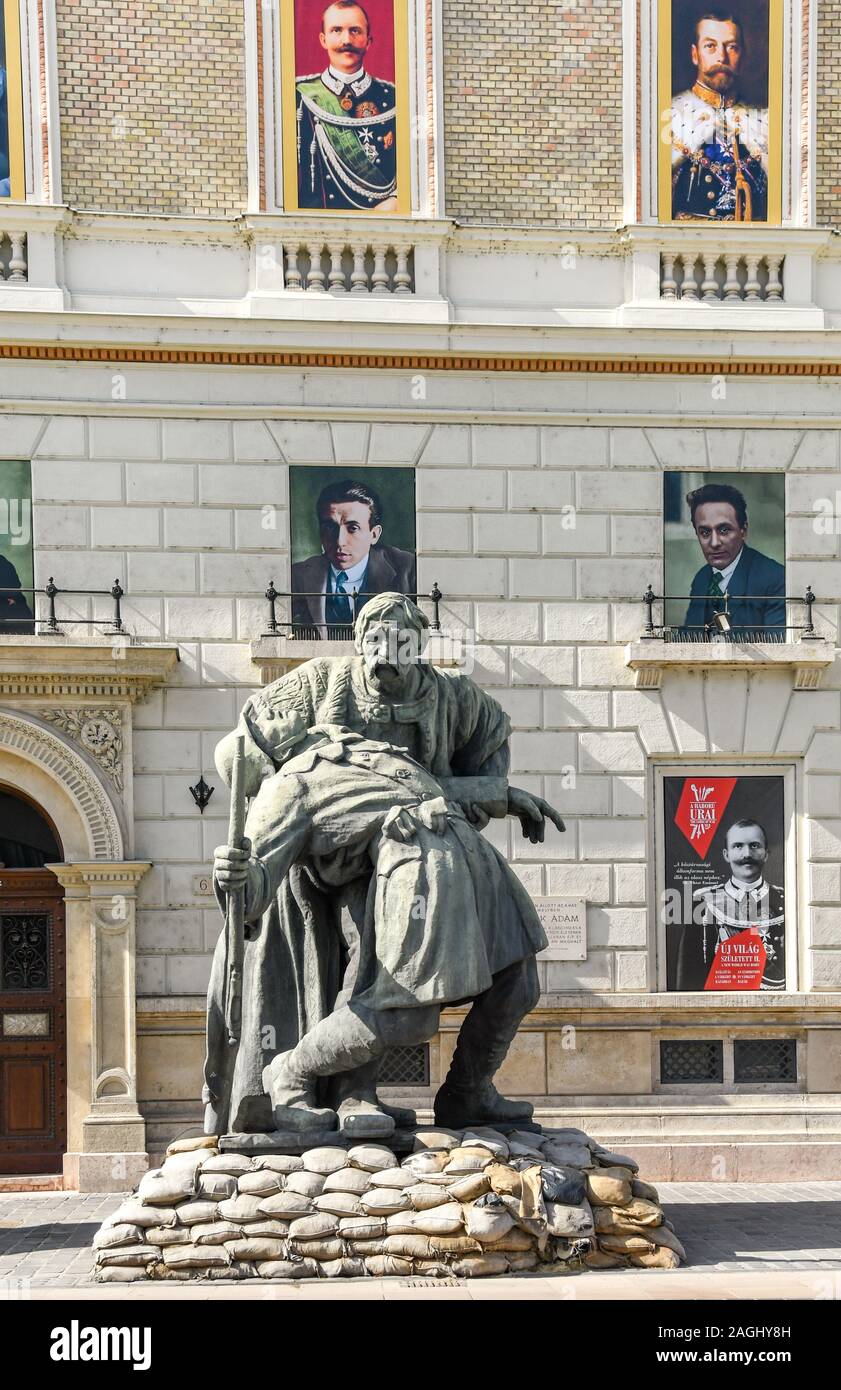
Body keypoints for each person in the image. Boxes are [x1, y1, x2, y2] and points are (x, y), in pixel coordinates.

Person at [203, 591, 564, 1137]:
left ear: (419, 647)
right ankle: (334, 1087)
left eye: (396, 641)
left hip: (454, 855)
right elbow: (256, 871)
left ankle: (469, 1091)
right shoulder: (293, 779)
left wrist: (499, 793)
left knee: (518, 978)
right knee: (386, 983)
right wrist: (237, 876)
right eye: (372, 639)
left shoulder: (431, 712)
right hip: (366, 872)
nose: (382, 653)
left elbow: (476, 750)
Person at [295, 1, 398, 211]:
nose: (346, 40)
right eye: (336, 30)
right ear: (323, 39)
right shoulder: (298, 95)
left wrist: (397, 199)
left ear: (368, 41)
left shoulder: (393, 97)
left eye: (355, 31)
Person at [670, 12, 768, 221]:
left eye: (732, 47)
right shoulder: (672, 114)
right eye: (710, 46)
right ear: (695, 54)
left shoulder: (763, 118)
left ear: (742, 56)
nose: (722, 57)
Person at [291, 477, 416, 638]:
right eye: (330, 527)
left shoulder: (408, 570)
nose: (340, 541)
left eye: (353, 528)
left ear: (374, 534)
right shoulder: (298, 576)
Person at [677, 818, 785, 990]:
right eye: (738, 846)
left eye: (755, 845)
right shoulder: (704, 902)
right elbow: (690, 976)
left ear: (766, 854)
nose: (747, 854)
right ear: (726, 855)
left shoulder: (784, 901)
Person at [680, 482, 785, 638]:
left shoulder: (774, 577)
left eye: (724, 530)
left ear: (743, 530)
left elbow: (778, 648)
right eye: (705, 532)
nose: (714, 542)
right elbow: (689, 638)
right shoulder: (701, 579)